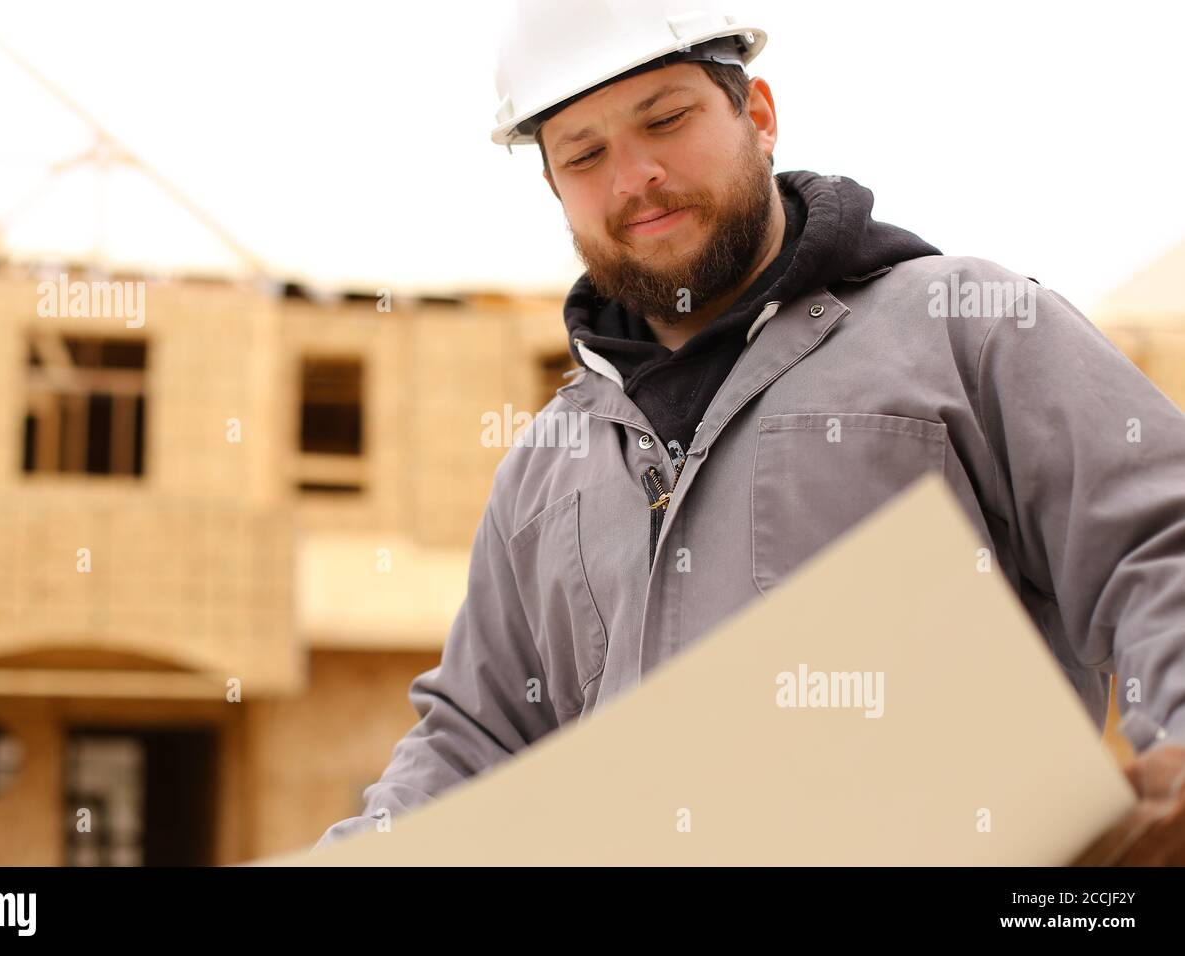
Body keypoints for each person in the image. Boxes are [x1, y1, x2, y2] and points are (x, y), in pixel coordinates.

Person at [316, 0, 1185, 860]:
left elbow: (1158, 545)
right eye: (584, 155)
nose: (634, 177)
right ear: (554, 186)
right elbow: (476, 740)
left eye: (667, 118)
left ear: (757, 115)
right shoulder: (547, 466)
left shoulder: (966, 330)